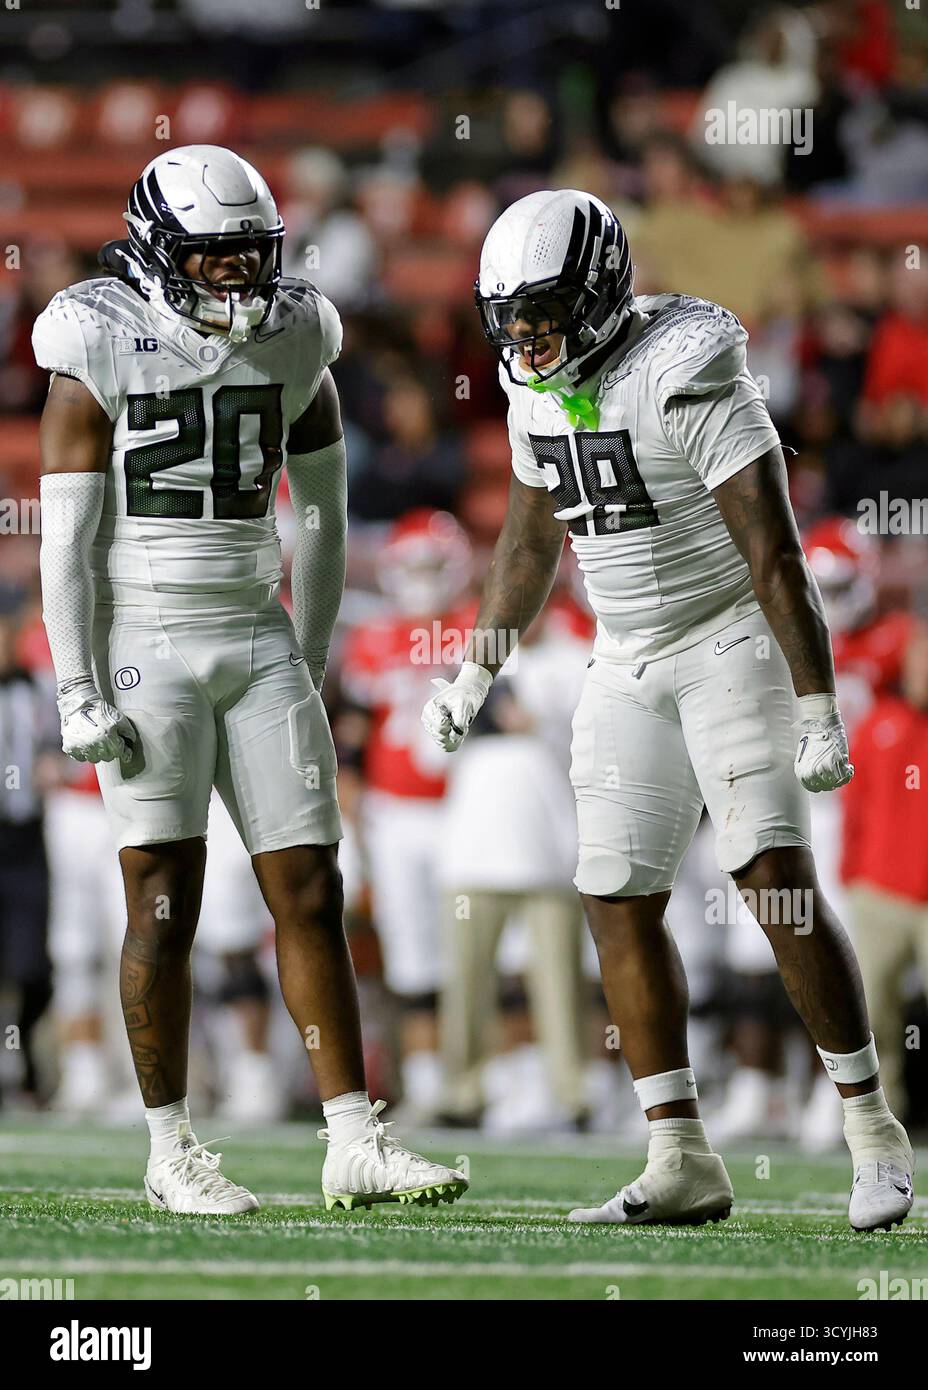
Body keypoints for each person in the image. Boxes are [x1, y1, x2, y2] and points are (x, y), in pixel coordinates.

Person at [422, 188, 913, 1231]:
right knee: (613, 891)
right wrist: (474, 671)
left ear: (599, 290)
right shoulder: (530, 392)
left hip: (725, 633)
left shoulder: (683, 361)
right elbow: (527, 542)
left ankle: (872, 1129)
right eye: (508, 316)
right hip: (625, 651)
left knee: (771, 876)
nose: (526, 335)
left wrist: (816, 699)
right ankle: (678, 1152)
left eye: (543, 311)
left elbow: (772, 546)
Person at [33, 144, 466, 1214]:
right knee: (163, 902)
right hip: (143, 632)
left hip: (255, 628)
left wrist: (308, 654)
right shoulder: (93, 335)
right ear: (158, 254)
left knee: (313, 887)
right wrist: (77, 686)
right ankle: (169, 1147)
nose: (238, 277)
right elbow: (65, 540)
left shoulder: (296, 330)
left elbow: (322, 512)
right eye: (214, 257)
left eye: (249, 255)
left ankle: (352, 1138)